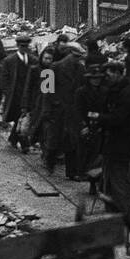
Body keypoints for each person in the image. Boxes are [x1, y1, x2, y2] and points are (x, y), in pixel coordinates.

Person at [100, 61, 130, 244]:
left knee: (122, 181)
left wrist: (99, 118)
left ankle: (123, 218)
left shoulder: (129, 95)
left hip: (125, 143)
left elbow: (121, 120)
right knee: (128, 177)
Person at [45, 43, 86, 177]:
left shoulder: (80, 69)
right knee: (54, 138)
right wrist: (50, 107)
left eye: (78, 57)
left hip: (73, 110)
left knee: (72, 140)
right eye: (75, 56)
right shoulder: (54, 67)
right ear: (69, 54)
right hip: (58, 110)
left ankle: (71, 172)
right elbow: (45, 90)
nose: (77, 59)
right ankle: (49, 164)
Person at [75, 64, 111, 195]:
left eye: (98, 78)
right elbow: (78, 110)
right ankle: (88, 179)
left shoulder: (105, 91)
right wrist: (83, 125)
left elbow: (107, 109)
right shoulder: (81, 92)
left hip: (100, 127)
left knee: (98, 158)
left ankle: (95, 183)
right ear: (89, 79)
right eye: (93, 78)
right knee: (85, 154)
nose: (96, 80)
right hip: (86, 127)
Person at [0, 33, 35, 147]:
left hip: (28, 93)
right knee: (17, 116)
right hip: (15, 94)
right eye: (22, 46)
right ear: (18, 46)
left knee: (23, 116)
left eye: (26, 46)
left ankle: (14, 138)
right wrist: (7, 91)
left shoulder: (33, 60)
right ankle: (23, 143)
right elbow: (4, 78)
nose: (24, 48)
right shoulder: (9, 61)